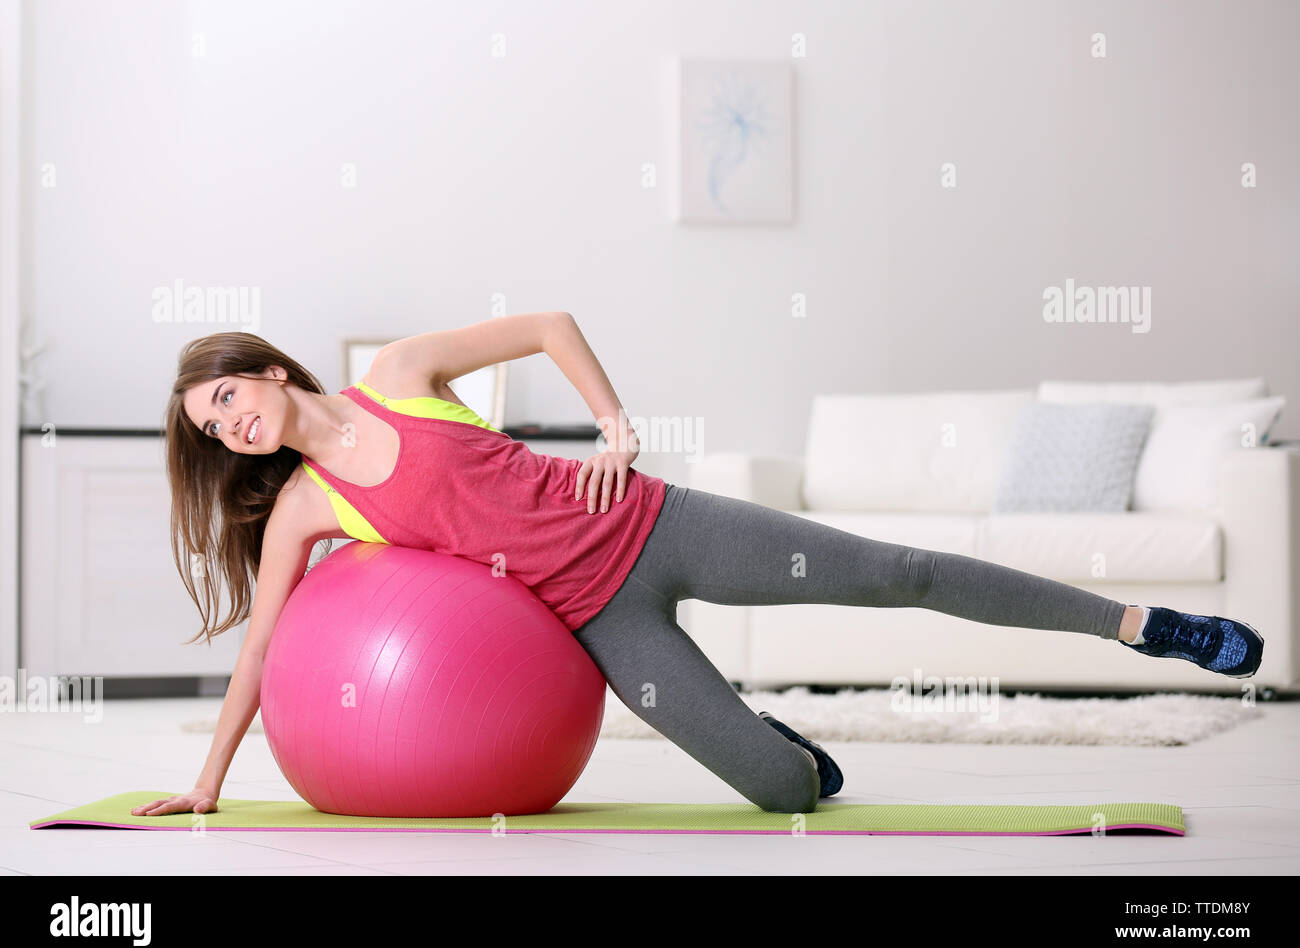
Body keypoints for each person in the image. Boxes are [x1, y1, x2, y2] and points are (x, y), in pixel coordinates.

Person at [130, 312, 1265, 819]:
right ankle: (785, 747)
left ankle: (1137, 626)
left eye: (230, 396)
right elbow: (265, 648)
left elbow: (550, 324)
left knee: (902, 570)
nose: (230, 425)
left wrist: (614, 430)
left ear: (268, 372)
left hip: (661, 525)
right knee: (783, 795)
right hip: (598, 622)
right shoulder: (310, 510)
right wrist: (212, 780)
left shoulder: (403, 370)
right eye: (212, 424)